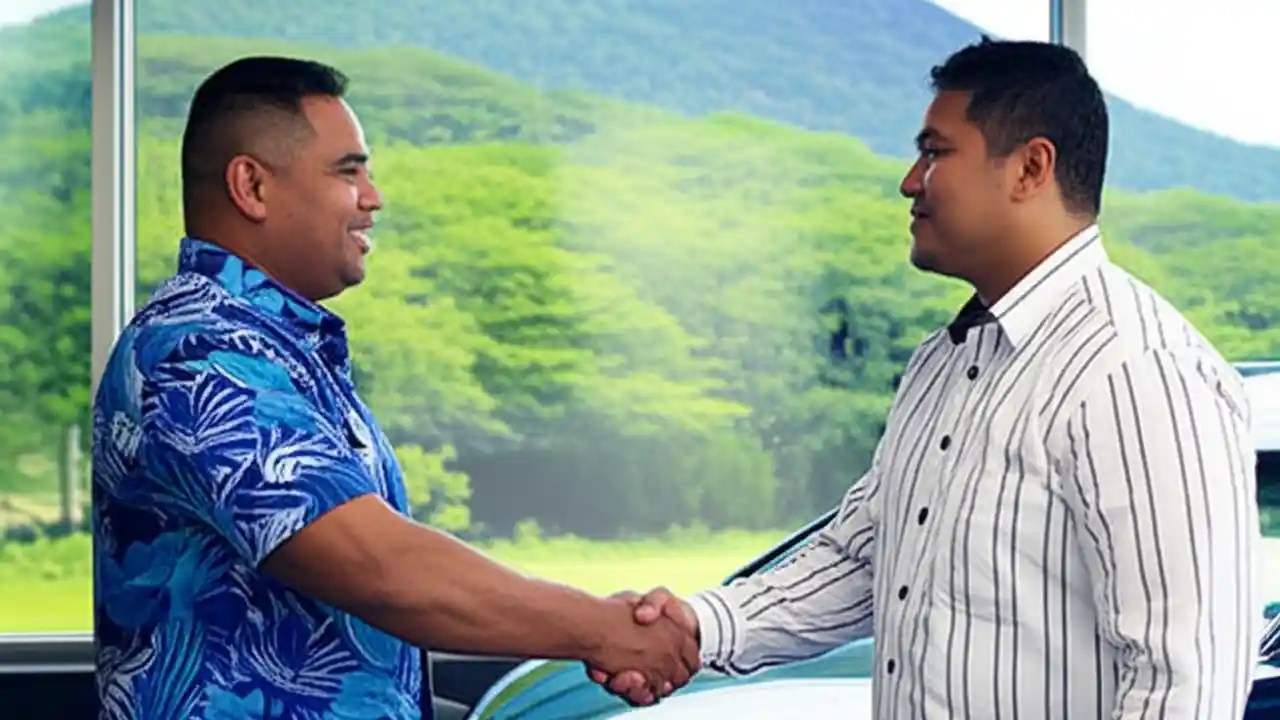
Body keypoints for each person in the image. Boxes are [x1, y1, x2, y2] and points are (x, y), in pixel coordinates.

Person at [593, 37, 1261, 718]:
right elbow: (865, 563)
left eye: (936, 152)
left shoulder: (1136, 370)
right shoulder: (943, 363)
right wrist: (699, 626)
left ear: (1031, 167)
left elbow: (1185, 681)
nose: (910, 181)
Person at [91, 55, 697, 720]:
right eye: (348, 171)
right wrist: (603, 628)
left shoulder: (277, 350)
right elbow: (381, 569)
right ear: (252, 187)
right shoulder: (199, 353)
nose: (373, 198)